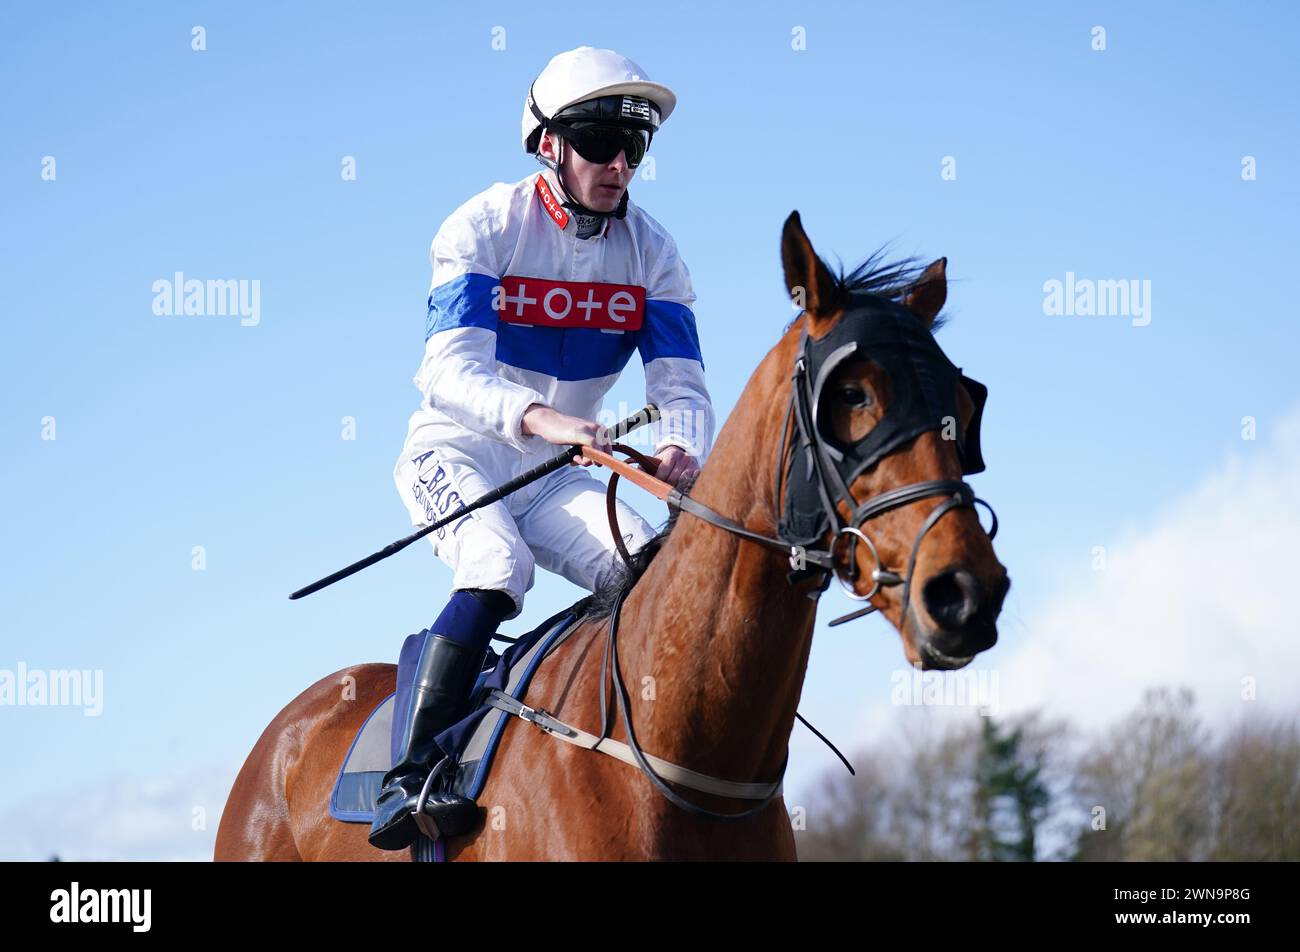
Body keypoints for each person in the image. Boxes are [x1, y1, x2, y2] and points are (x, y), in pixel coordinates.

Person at [369, 46, 716, 850]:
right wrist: (543, 419)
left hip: (556, 475)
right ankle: (409, 775)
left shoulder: (655, 253)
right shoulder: (483, 224)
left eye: (635, 148)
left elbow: (683, 387)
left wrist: (680, 450)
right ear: (548, 144)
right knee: (498, 568)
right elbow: (443, 369)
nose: (620, 164)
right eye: (600, 141)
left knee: (651, 576)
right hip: (457, 456)